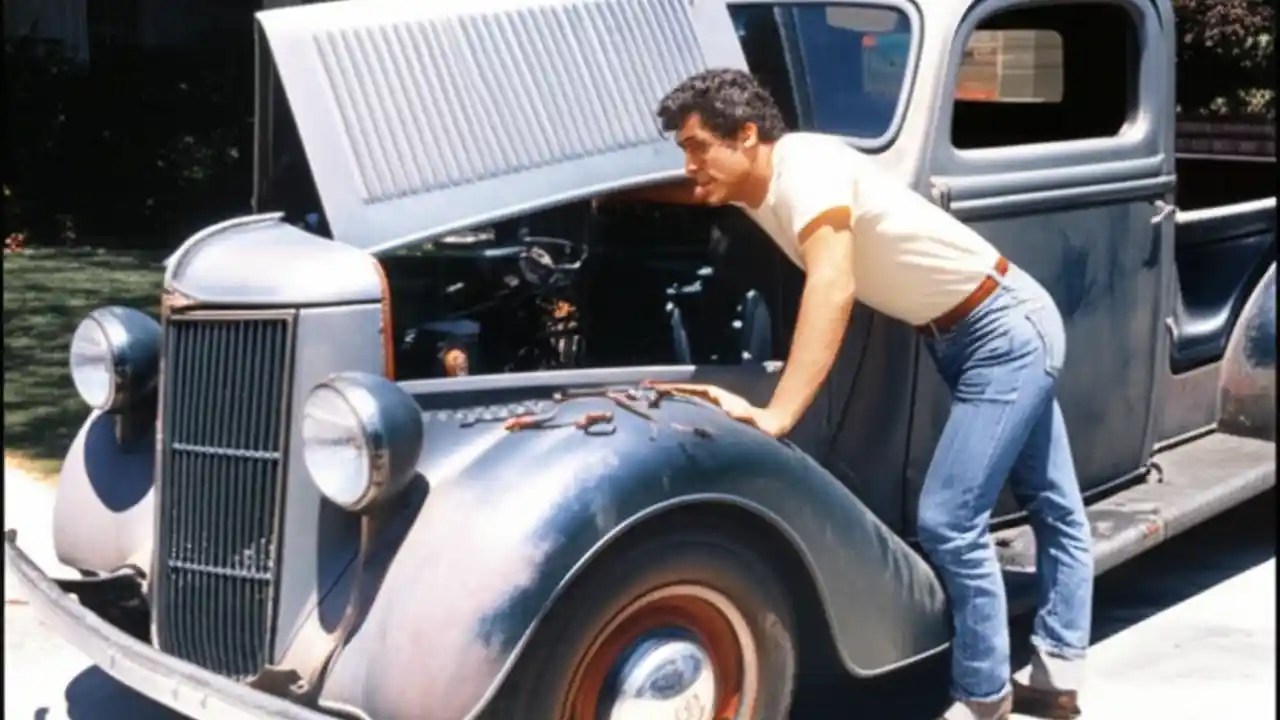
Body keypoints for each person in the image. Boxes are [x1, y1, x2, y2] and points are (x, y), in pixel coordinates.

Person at [605, 69, 1094, 720]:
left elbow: (832, 285)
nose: (691, 164)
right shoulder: (756, 180)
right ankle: (1058, 677)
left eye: (697, 146)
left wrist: (778, 414)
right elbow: (698, 192)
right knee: (1055, 503)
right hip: (965, 334)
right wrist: (596, 193)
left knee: (950, 519)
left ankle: (983, 697)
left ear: (747, 135)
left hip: (1003, 330)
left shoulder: (805, 168)